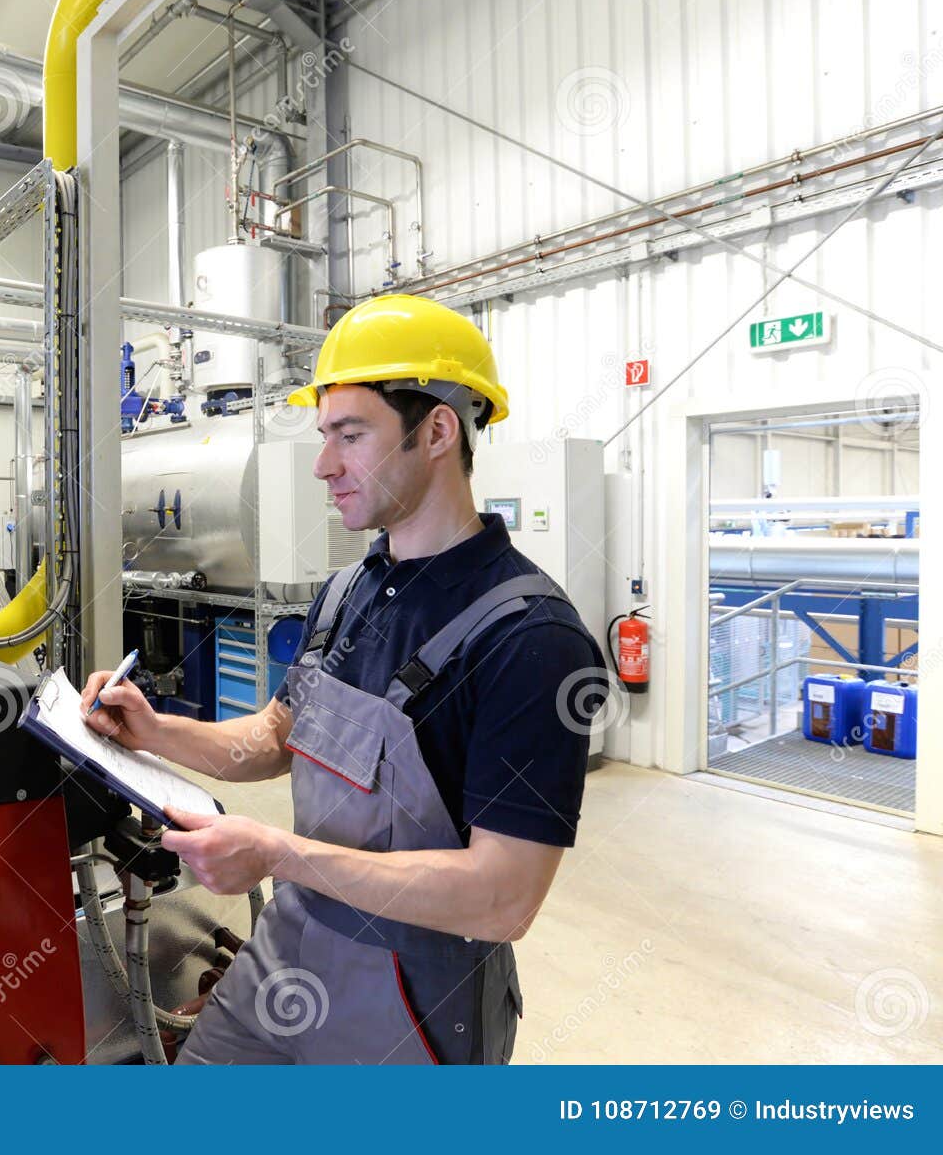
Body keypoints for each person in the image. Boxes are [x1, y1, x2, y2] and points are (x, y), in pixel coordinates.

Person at [82, 294, 606, 1065]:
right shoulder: (346, 593)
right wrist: (155, 731)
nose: (325, 465)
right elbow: (275, 736)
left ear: (436, 431)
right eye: (325, 435)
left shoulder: (529, 639)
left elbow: (504, 898)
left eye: (350, 436)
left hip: (410, 998)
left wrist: (275, 854)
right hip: (288, 949)